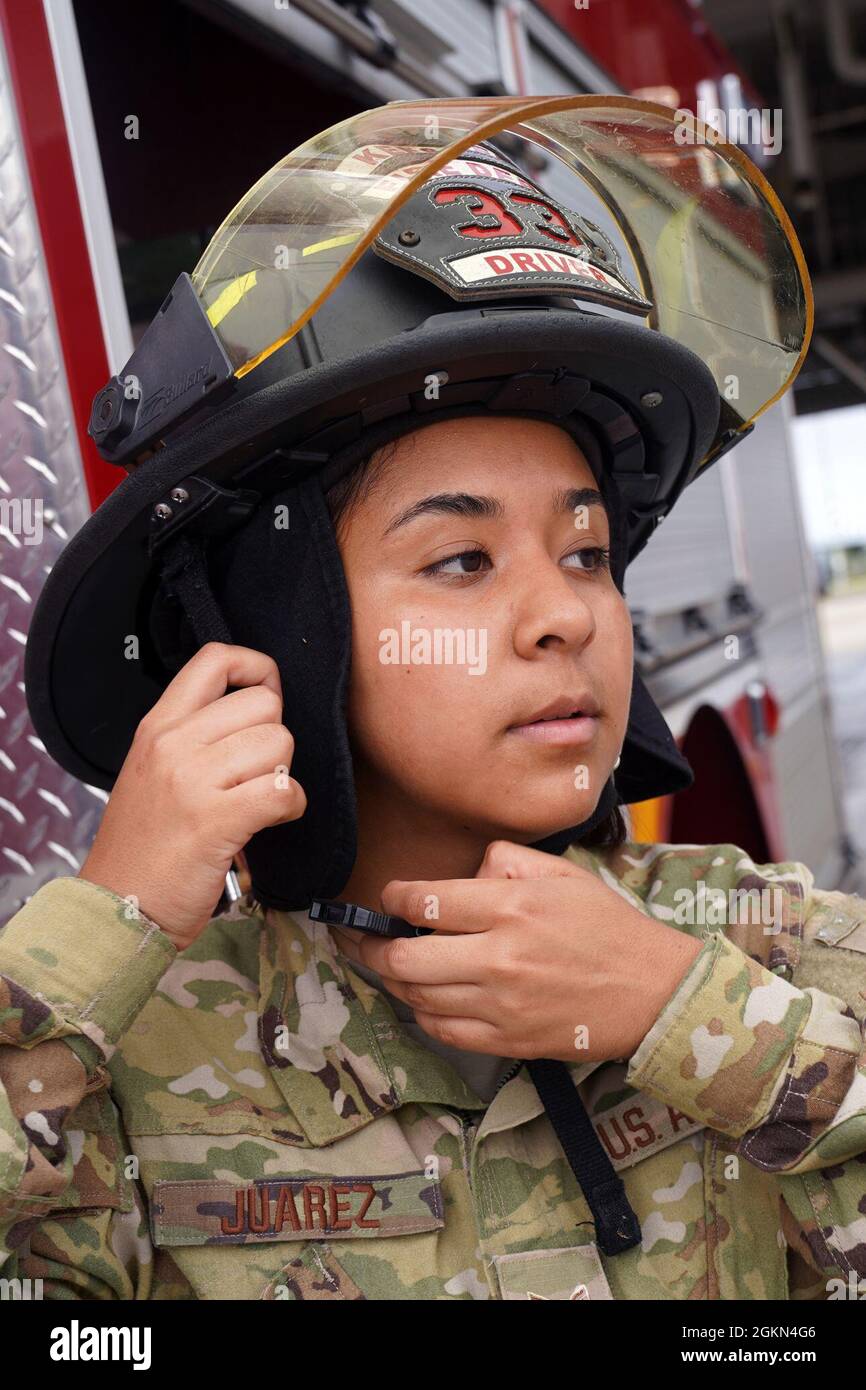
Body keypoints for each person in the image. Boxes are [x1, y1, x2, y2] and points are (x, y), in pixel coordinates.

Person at [2, 95, 865, 1301]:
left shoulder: (759, 936)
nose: (566, 614)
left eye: (585, 553)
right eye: (460, 561)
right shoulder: (138, 1042)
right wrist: (109, 920)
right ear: (279, 633)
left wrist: (686, 1015)